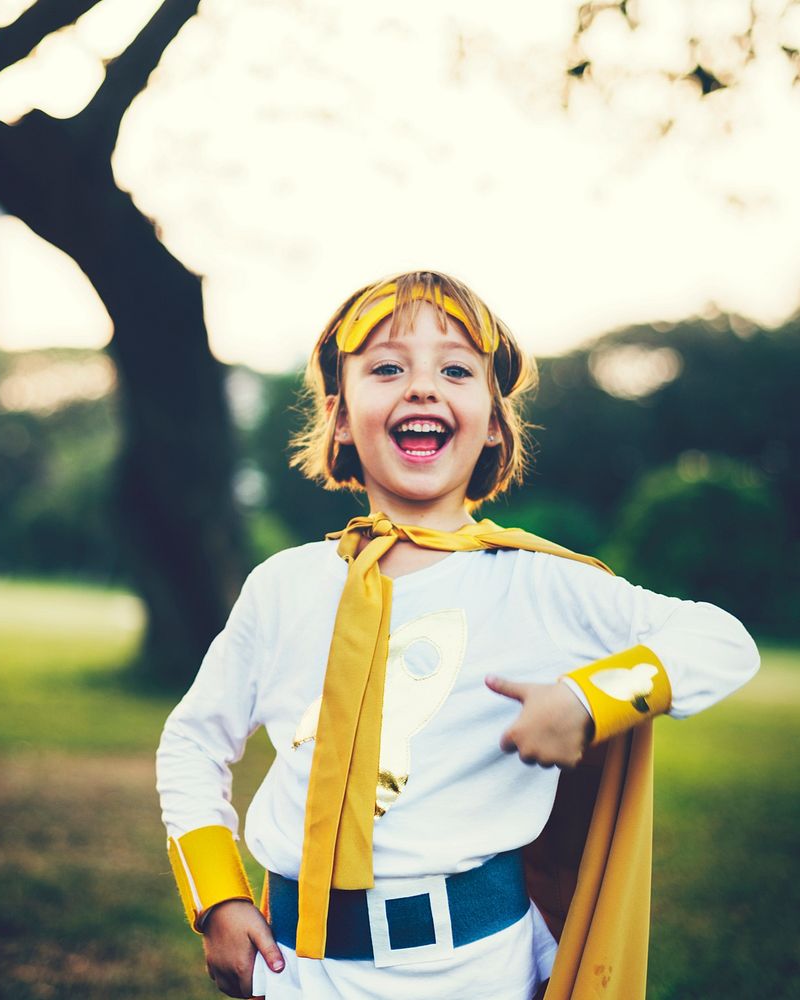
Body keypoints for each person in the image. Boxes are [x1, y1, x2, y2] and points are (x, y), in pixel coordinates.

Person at [156, 270, 759, 1000]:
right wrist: (217, 896)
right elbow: (193, 741)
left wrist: (588, 699)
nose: (420, 387)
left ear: (494, 423)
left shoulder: (538, 584)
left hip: (477, 973)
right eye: (386, 367)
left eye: (455, 370)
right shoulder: (284, 585)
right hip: (297, 975)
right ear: (340, 417)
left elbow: (721, 640)